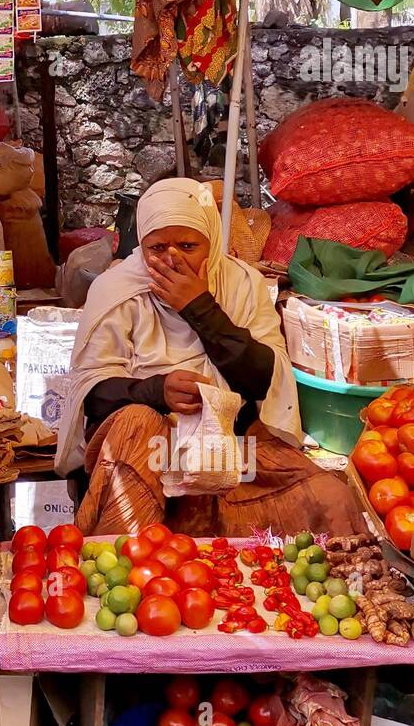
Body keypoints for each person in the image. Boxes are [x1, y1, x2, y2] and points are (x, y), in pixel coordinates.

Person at [57, 177, 362, 538]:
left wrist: (198, 307)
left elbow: (263, 379)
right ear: (141, 243)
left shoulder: (242, 284)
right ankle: (134, 564)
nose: (173, 259)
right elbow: (91, 392)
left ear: (212, 242)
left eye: (188, 246)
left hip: (233, 448)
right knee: (136, 423)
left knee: (330, 498)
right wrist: (158, 391)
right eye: (157, 247)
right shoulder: (117, 290)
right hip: (149, 451)